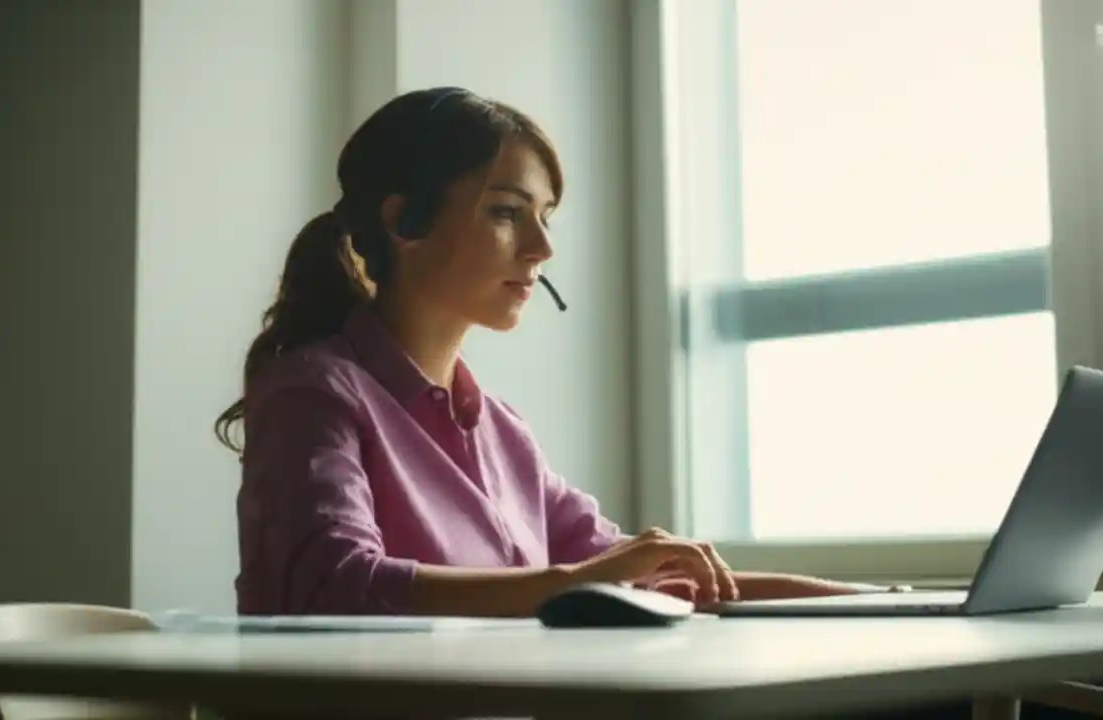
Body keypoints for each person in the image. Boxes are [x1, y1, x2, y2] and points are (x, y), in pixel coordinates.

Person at [218, 87, 861, 617]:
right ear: (403, 220)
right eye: (507, 212)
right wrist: (571, 580)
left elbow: (653, 578)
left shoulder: (504, 433)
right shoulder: (313, 390)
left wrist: (890, 602)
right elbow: (334, 588)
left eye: (545, 216)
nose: (541, 248)